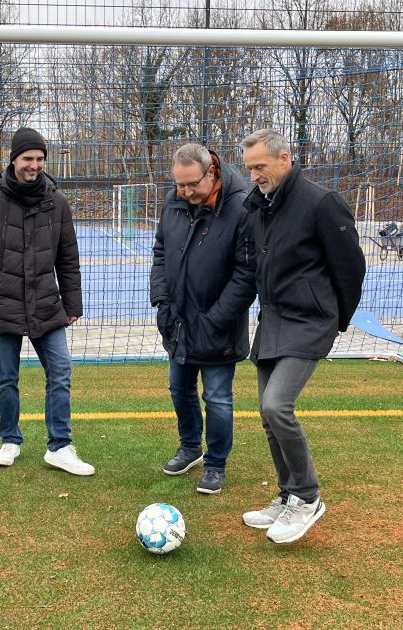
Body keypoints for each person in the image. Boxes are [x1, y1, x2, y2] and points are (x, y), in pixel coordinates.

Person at [238, 129, 366, 544]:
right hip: (272, 321)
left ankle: (308, 497)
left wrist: (335, 319)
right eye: (250, 168)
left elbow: (351, 268)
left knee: (278, 406)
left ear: (284, 159)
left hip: (310, 322)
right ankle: (287, 493)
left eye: (260, 166)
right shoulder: (258, 206)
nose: (254, 174)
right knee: (266, 415)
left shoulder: (321, 203)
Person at [0, 127, 94, 476]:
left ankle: (61, 446)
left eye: (39, 159)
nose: (34, 165)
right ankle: (10, 439)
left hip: (46, 304)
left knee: (61, 371)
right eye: (28, 158)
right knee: (7, 377)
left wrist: (72, 303)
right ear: (14, 160)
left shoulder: (57, 202)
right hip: (2, 304)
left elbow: (68, 257)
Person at [150, 143, 255, 494]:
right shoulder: (174, 202)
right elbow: (161, 253)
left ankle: (216, 464)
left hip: (218, 327)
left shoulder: (242, 207)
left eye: (191, 185)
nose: (185, 192)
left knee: (218, 398)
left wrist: (216, 320)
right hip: (177, 320)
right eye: (179, 185)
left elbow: (246, 274)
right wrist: (161, 301)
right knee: (179, 389)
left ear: (211, 171)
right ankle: (190, 447)